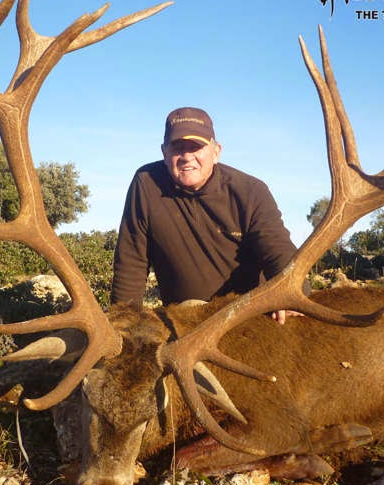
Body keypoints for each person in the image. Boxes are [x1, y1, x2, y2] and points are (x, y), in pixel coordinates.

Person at [111, 106, 302, 323]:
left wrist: (293, 292)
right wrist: (122, 323)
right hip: (181, 324)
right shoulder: (146, 183)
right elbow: (131, 262)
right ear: (164, 153)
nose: (186, 156)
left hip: (246, 321)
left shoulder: (250, 191)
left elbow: (277, 249)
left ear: (216, 152)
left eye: (196, 147)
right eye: (177, 147)